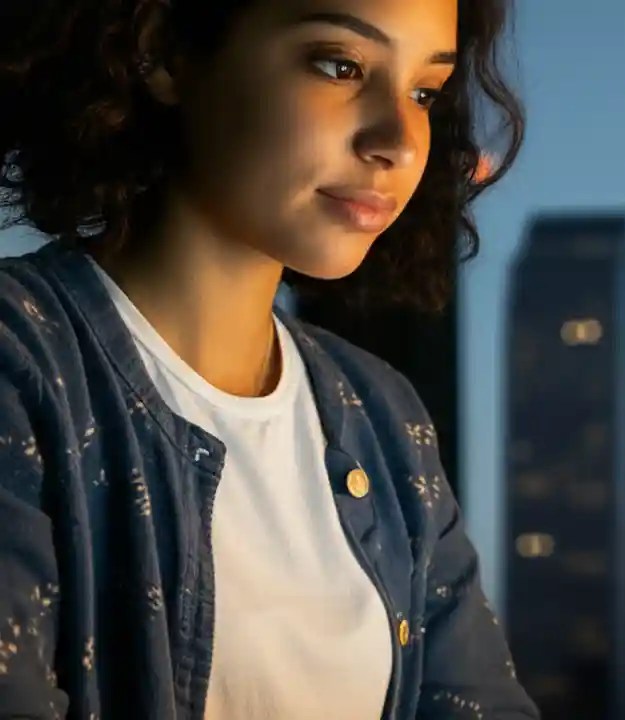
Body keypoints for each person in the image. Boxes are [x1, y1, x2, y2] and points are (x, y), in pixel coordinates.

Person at [0, 0, 537, 717]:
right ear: (165, 53)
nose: (400, 142)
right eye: (340, 65)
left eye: (423, 93)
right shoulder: (22, 363)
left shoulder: (382, 416)